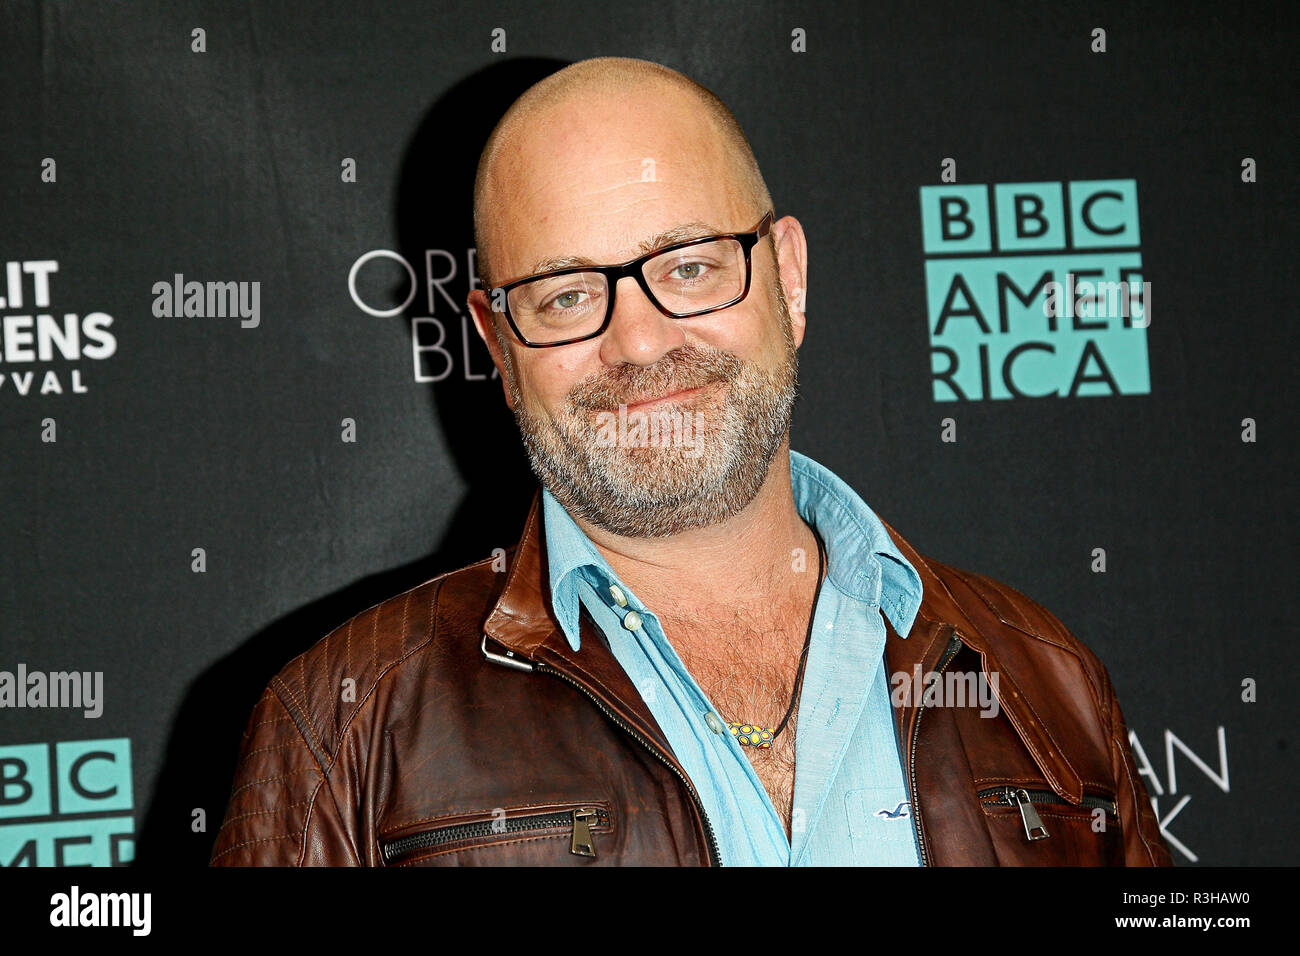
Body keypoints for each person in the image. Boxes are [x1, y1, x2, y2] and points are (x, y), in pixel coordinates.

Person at [210, 56, 1172, 866]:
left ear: (786, 278)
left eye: (689, 267)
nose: (636, 343)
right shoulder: (342, 729)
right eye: (564, 295)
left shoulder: (1048, 682)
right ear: (499, 349)